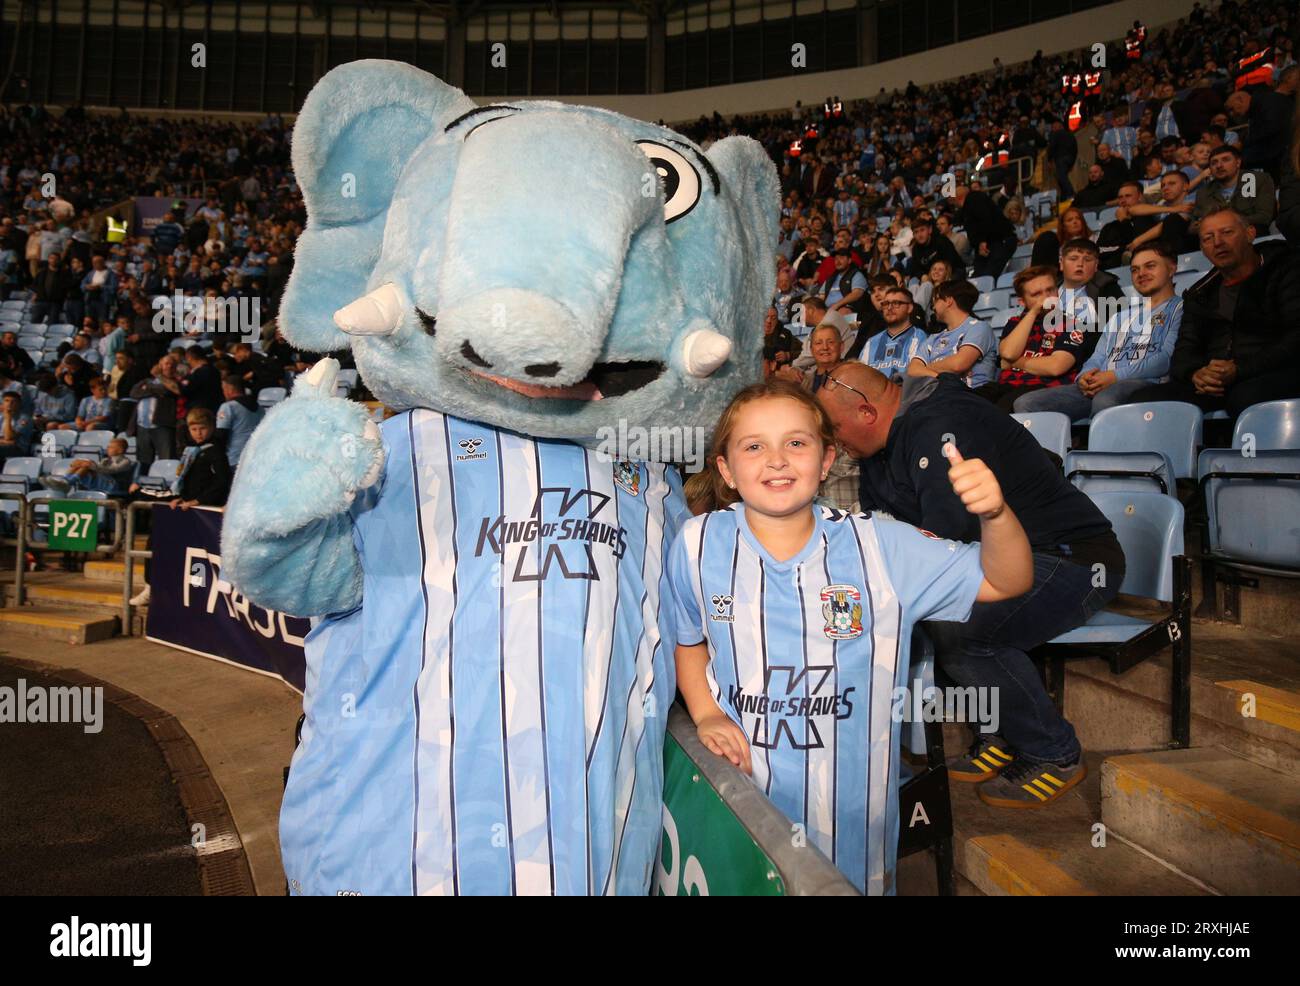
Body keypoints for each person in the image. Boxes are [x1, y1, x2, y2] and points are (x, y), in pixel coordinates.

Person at [670, 379, 1032, 892]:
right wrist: (706, 713)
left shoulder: (882, 544)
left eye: (796, 442)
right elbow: (689, 641)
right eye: (754, 446)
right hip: (743, 800)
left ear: (826, 460)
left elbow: (1006, 579)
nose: (776, 460)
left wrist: (995, 515)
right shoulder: (695, 543)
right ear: (726, 468)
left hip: (852, 819)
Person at [818, 363, 1124, 808]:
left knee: (960, 629)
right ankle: (999, 733)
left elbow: (948, 540)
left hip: (1071, 557)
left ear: (866, 412)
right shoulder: (878, 448)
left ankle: (1053, 752)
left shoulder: (941, 425)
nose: (834, 441)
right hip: (987, 561)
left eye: (834, 428)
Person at [1134, 205, 1300, 417]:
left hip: (1276, 371)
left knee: (1244, 398)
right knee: (1143, 401)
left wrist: (1239, 369)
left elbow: (1295, 338)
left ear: (1250, 234)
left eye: (1227, 232)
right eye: (1208, 238)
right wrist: (1195, 374)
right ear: (1202, 248)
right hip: (1218, 383)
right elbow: (1184, 352)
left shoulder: (1286, 269)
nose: (1218, 242)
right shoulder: (1200, 293)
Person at [1015, 244, 1184, 416]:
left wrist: (1114, 377)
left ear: (1171, 268)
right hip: (1101, 383)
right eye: (1134, 269)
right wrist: (1084, 377)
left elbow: (1165, 360)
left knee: (1105, 399)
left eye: (1150, 266)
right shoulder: (1120, 316)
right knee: (1027, 403)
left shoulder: (1181, 309)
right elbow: (1098, 356)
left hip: (1145, 382)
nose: (1141, 274)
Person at [976, 265, 1089, 412]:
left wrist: (1013, 363)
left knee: (997, 412)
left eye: (1050, 290)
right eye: (1036, 294)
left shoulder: (1073, 324)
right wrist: (1034, 312)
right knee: (964, 402)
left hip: (1043, 388)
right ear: (1022, 302)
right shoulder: (1015, 323)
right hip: (1005, 386)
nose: (1046, 298)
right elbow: (1008, 353)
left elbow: (1056, 367)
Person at [907, 279, 997, 388]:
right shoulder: (934, 338)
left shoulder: (979, 327)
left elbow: (958, 364)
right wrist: (941, 377)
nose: (933, 307)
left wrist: (925, 369)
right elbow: (912, 370)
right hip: (939, 395)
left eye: (936, 300)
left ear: (949, 300)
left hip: (971, 396)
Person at [1192, 144, 1277, 232]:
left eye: (1225, 160)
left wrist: (1226, 223)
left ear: (1238, 162)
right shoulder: (1203, 192)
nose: (1219, 165)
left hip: (1254, 236)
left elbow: (1264, 217)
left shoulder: (1259, 180)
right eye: (1214, 163)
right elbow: (1193, 227)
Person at [951, 182, 1018, 278]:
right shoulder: (972, 203)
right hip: (988, 244)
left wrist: (982, 240)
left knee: (987, 276)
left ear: (957, 198)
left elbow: (985, 218)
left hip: (997, 242)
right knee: (978, 278)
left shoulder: (974, 199)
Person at [860, 286, 927, 381]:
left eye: (896, 303)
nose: (889, 308)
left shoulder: (919, 337)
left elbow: (915, 379)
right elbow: (862, 377)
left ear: (909, 308)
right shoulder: (871, 342)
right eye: (886, 304)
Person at [41, 437, 134, 496]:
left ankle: (67, 484)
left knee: (86, 464)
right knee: (83, 464)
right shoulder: (105, 460)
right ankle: (65, 482)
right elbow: (99, 468)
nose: (108, 449)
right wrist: (83, 464)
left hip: (113, 485)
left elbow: (110, 470)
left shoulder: (126, 461)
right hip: (102, 480)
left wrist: (90, 464)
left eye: (111, 447)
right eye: (108, 446)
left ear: (120, 450)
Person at [215, 375, 264, 468]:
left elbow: (221, 435)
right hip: (255, 456)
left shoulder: (228, 407)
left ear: (230, 389)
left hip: (235, 458)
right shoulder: (259, 408)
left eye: (224, 389)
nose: (223, 392)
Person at [0, 391, 34, 459]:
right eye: (7, 401)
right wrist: (5, 442)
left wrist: (8, 418)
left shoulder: (25, 419)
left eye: (13, 401)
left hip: (19, 449)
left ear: (19, 404)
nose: (9, 404)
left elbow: (8, 437)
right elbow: (8, 441)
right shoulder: (1, 417)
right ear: (2, 403)